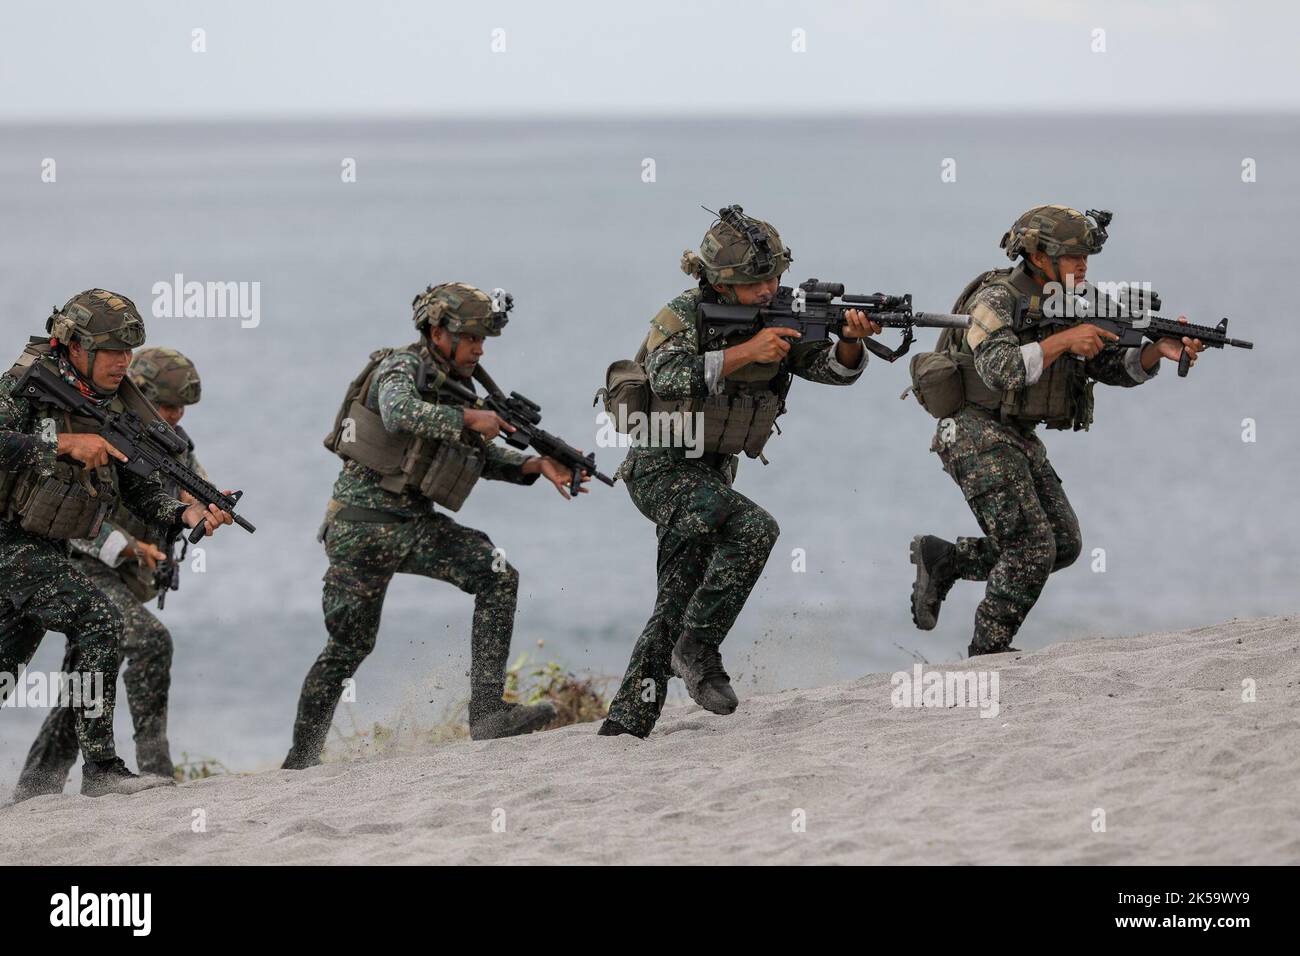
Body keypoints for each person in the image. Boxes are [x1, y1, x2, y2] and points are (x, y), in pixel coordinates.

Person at [600, 205, 880, 738]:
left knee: (676, 595)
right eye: (756, 282)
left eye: (776, 277)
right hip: (661, 468)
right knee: (755, 528)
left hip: (712, 475)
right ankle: (697, 648)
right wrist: (745, 352)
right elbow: (666, 374)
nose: (771, 288)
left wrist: (850, 340)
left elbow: (833, 371)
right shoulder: (683, 314)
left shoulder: (780, 314)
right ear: (721, 282)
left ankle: (627, 723)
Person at [283, 283, 586, 769]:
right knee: (349, 646)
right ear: (439, 333)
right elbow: (400, 413)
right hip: (364, 526)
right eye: (471, 338)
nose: (480, 348)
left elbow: (477, 455)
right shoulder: (400, 367)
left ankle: (487, 713)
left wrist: (533, 466)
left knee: (496, 572)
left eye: (484, 340)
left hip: (408, 523)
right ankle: (301, 760)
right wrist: (470, 417)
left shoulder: (455, 386)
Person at [910, 205, 1205, 656]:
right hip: (973, 430)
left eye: (1086, 255)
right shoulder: (997, 298)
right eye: (1072, 256)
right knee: (1032, 547)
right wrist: (1064, 340)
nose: (1083, 265)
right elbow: (1000, 369)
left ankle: (946, 560)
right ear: (1039, 255)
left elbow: (1107, 367)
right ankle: (987, 653)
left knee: (1063, 544)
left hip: (1016, 435)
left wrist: (1152, 353)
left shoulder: (1073, 301)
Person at [0, 291, 231, 797]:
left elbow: (135, 486)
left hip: (43, 548)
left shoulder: (107, 404)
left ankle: (34, 793)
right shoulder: (24, 386)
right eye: (111, 351)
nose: (122, 362)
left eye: (129, 352)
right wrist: (60, 445)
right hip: (10, 544)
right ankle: (102, 770)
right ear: (76, 346)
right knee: (98, 619)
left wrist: (186, 512)